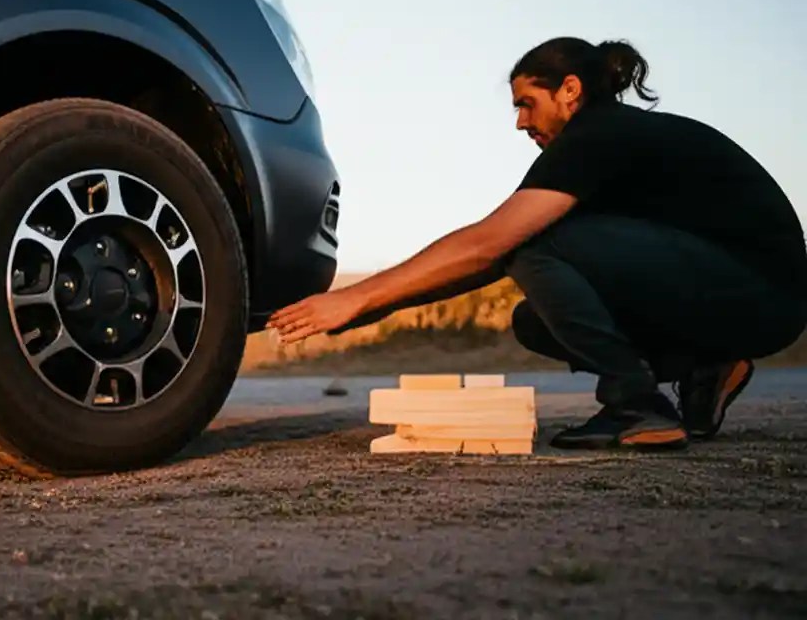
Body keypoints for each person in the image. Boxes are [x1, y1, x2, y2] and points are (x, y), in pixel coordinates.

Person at [267, 37, 807, 450]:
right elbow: (479, 266)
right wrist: (359, 310)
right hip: (747, 297)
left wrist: (357, 296)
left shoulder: (595, 135)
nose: (521, 122)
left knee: (533, 242)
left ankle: (636, 404)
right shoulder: (605, 143)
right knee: (534, 319)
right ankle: (702, 368)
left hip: (761, 289)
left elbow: (491, 243)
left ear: (570, 90)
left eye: (527, 103)